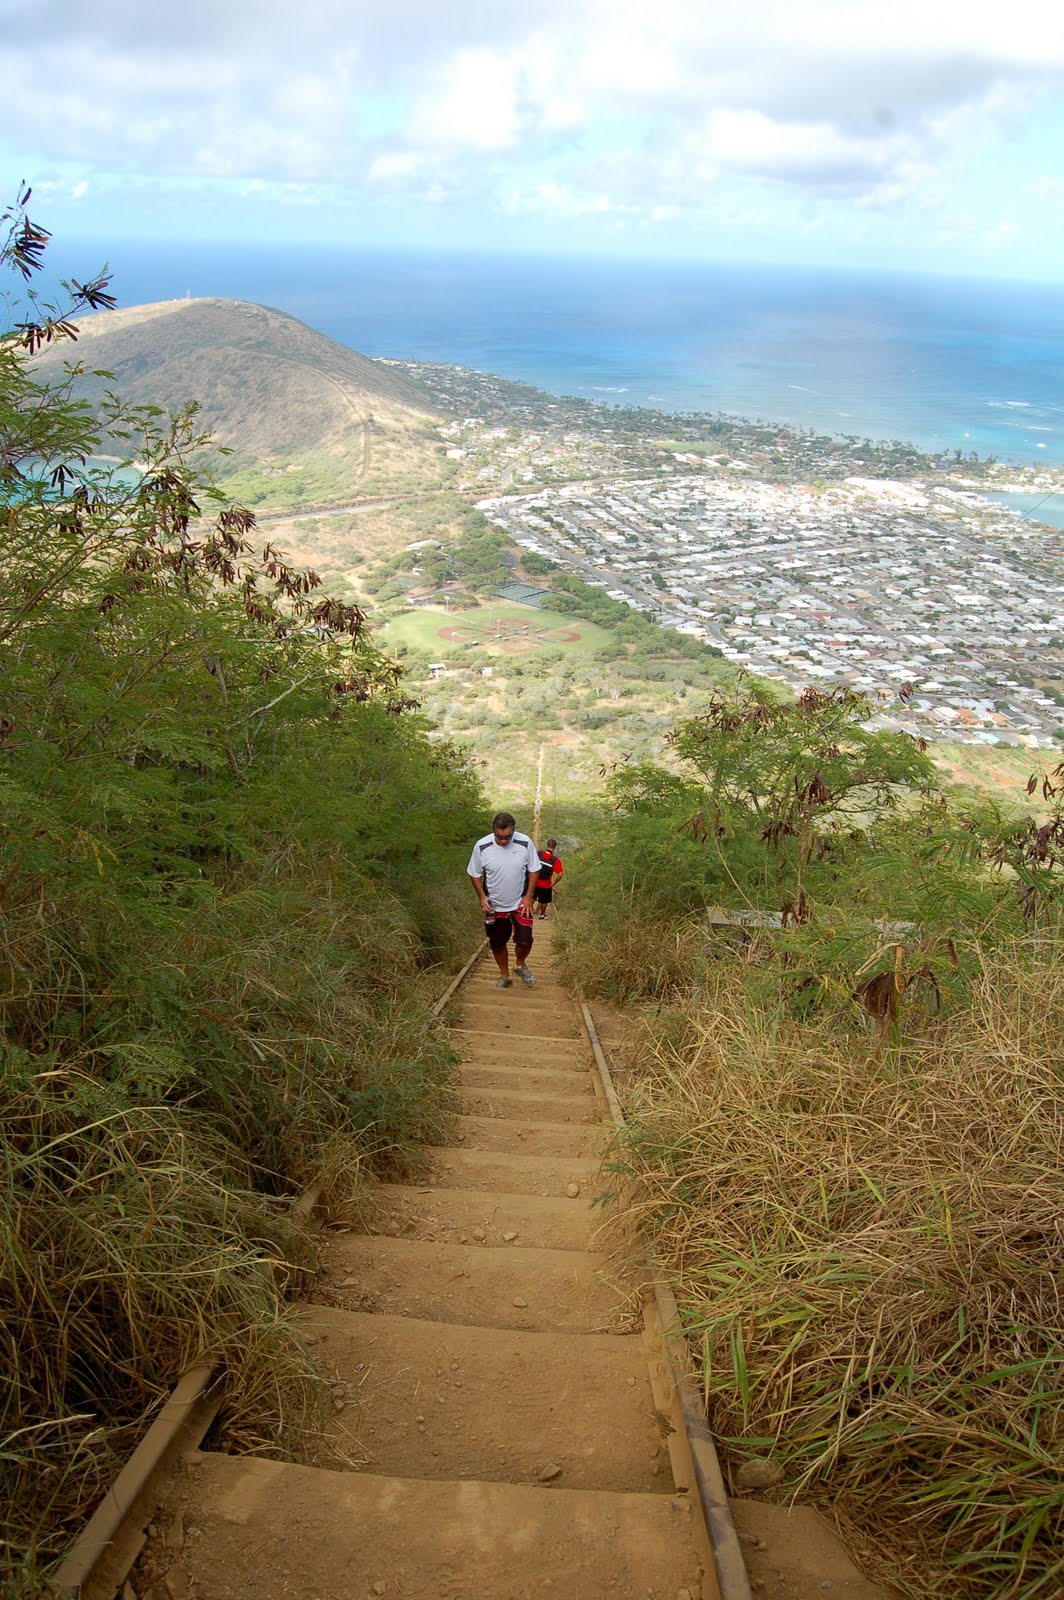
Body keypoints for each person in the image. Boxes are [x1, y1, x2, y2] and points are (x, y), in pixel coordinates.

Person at [467, 811, 541, 988]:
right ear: (493, 831)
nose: (503, 841)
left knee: (525, 940)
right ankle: (504, 975)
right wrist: (482, 897)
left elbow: (534, 869)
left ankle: (520, 964)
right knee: (497, 942)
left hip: (520, 902)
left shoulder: (524, 842)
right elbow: (474, 873)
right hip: (494, 905)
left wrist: (529, 896)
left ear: (513, 831)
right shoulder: (482, 846)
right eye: (499, 837)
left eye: (507, 837)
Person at [532, 837, 564, 918]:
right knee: (544, 901)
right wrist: (554, 883)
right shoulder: (555, 860)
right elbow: (560, 874)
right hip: (546, 884)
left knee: (532, 897)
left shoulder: (538, 853)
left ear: (547, 845)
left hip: (534, 881)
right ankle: (542, 915)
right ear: (555, 847)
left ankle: (526, 912)